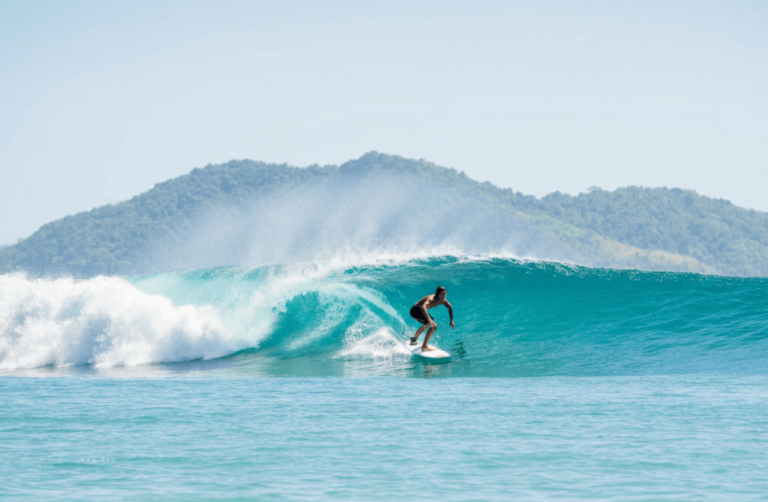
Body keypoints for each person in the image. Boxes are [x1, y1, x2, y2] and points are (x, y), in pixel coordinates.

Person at [409, 286, 455, 351]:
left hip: (421, 311)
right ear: (438, 294)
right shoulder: (431, 299)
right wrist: (429, 319)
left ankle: (413, 340)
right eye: (442, 294)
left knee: (427, 326)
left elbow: (450, 307)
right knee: (433, 325)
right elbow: (423, 306)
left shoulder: (442, 300)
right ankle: (424, 346)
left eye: (445, 294)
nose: (444, 296)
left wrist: (451, 320)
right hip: (415, 310)